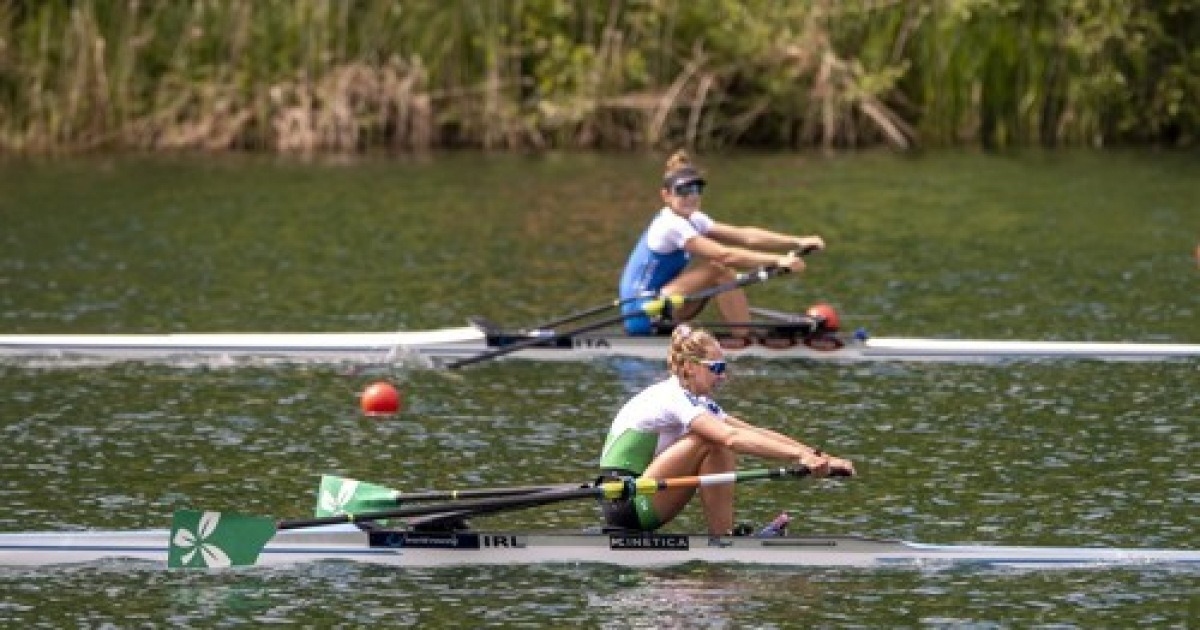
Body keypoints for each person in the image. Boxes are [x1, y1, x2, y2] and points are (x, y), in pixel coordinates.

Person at [597, 324, 855, 536]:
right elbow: (730, 438)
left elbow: (753, 432)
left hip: (644, 495)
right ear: (689, 366)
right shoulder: (673, 397)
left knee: (717, 436)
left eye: (724, 368)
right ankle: (723, 538)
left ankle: (723, 537)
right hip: (625, 501)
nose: (723, 376)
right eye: (716, 368)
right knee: (712, 440)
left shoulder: (696, 401)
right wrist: (798, 458)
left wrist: (819, 456)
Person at [618, 149, 826, 346]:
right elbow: (724, 254)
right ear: (666, 195)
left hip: (665, 303)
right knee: (718, 269)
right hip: (643, 312)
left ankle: (743, 334)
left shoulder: (693, 219)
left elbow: (745, 236)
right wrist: (778, 260)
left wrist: (798, 241)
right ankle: (745, 338)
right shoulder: (671, 224)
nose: (691, 196)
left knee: (718, 271)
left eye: (696, 189)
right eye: (683, 190)